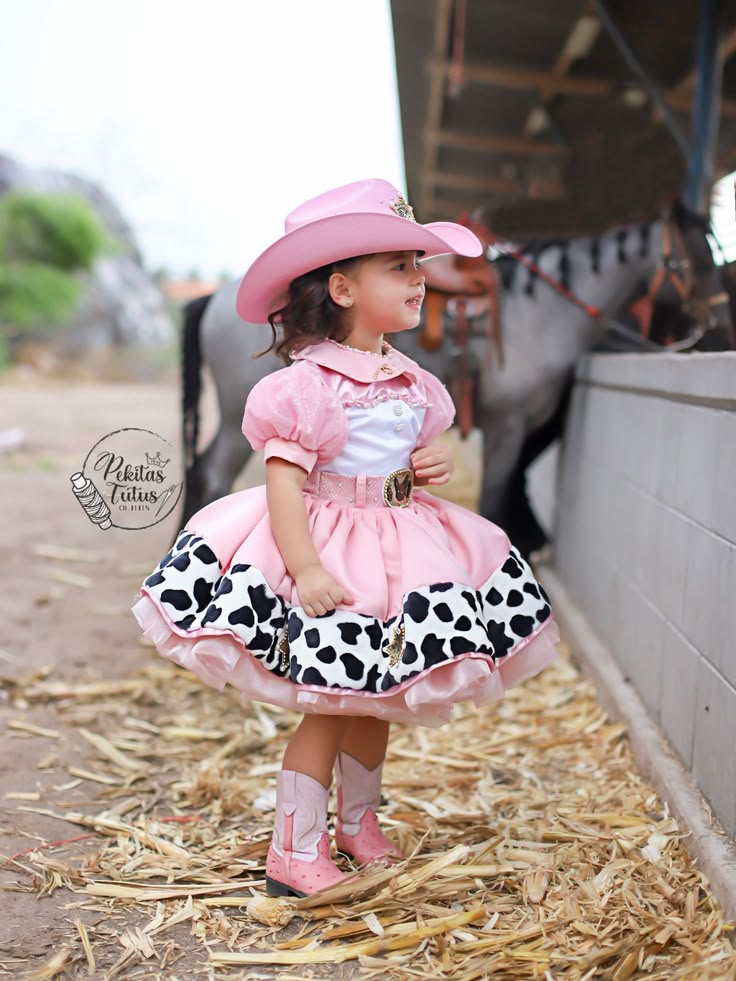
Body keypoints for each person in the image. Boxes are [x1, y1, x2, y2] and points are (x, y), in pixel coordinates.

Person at [131, 178, 561, 899]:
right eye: (399, 267)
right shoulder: (310, 385)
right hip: (331, 548)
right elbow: (282, 484)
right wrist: (304, 568)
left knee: (376, 696)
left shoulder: (411, 381)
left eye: (418, 265)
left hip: (397, 551)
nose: (419, 280)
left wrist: (424, 467)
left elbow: (404, 458)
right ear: (342, 288)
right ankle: (293, 847)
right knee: (327, 705)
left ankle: (359, 823)